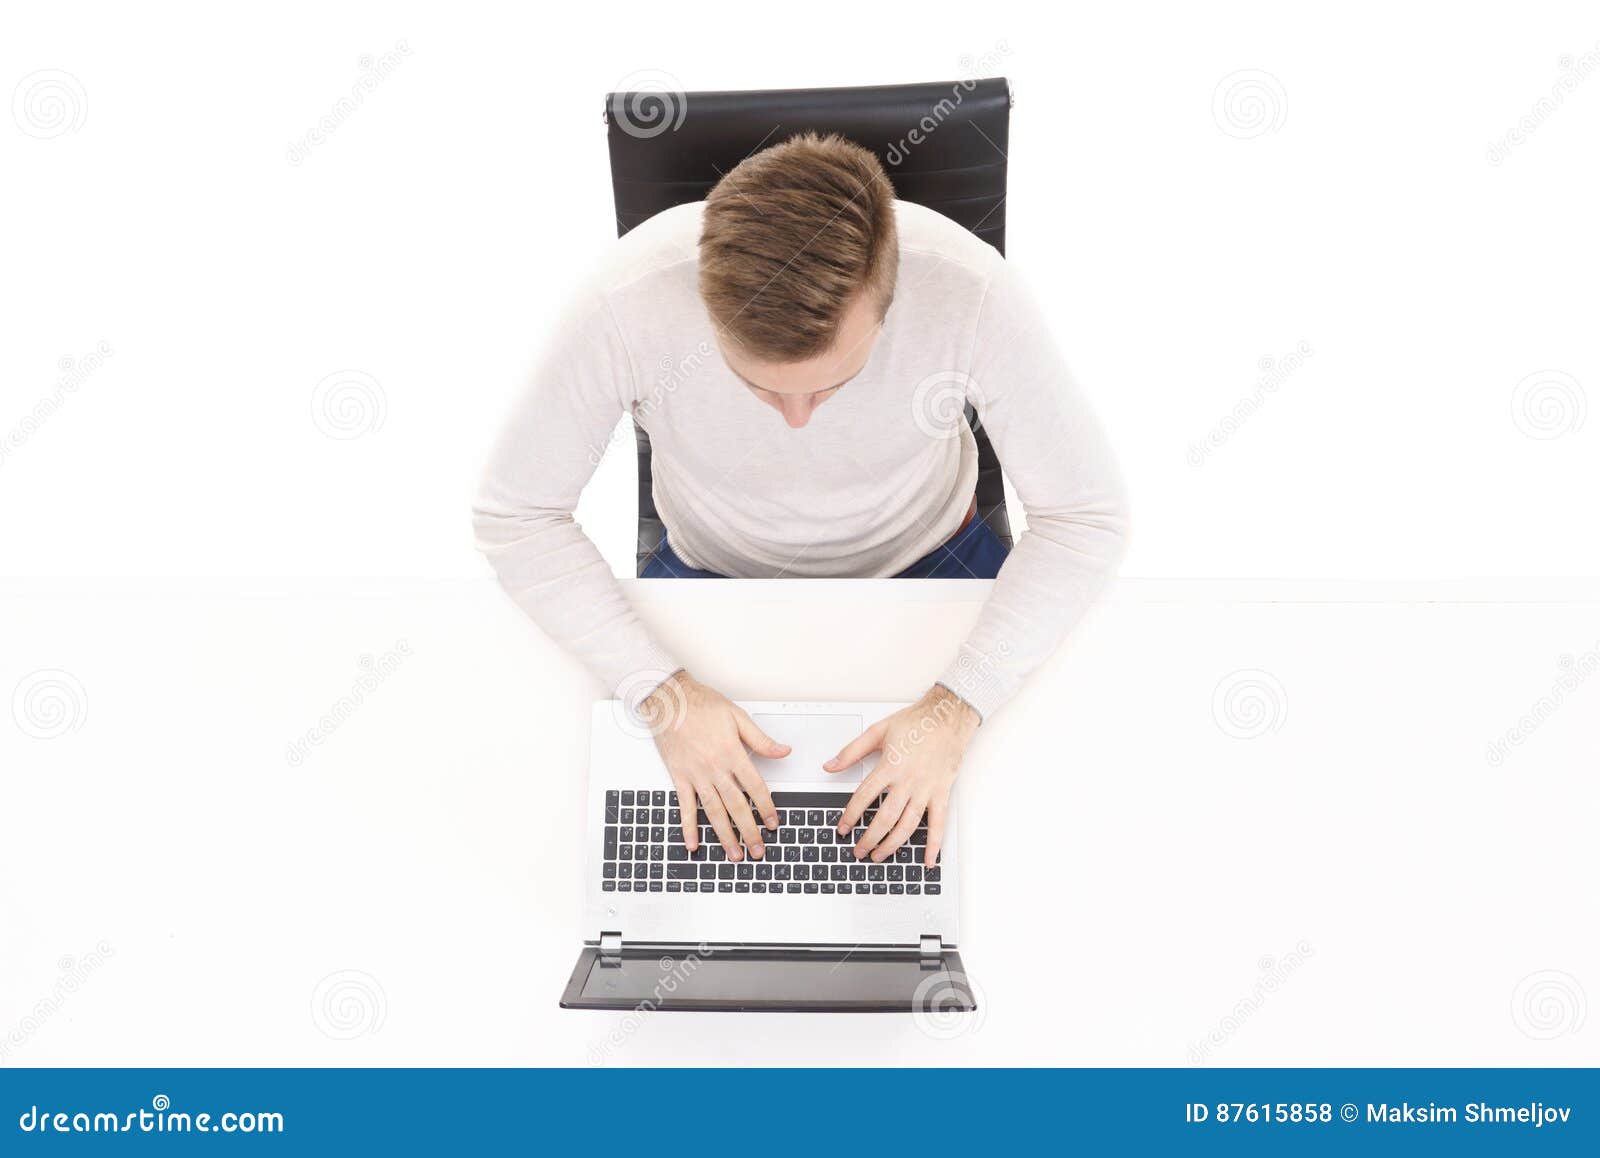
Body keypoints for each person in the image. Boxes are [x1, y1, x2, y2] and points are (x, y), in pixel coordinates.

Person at [474, 132, 1128, 872]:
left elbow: (1086, 518)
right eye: (758, 385)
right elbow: (515, 514)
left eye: (830, 384)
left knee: (1014, 833)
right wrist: (663, 693)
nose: (796, 421)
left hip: (938, 565)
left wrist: (958, 703)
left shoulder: (967, 289)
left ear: (889, 301)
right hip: (711, 583)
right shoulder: (624, 301)